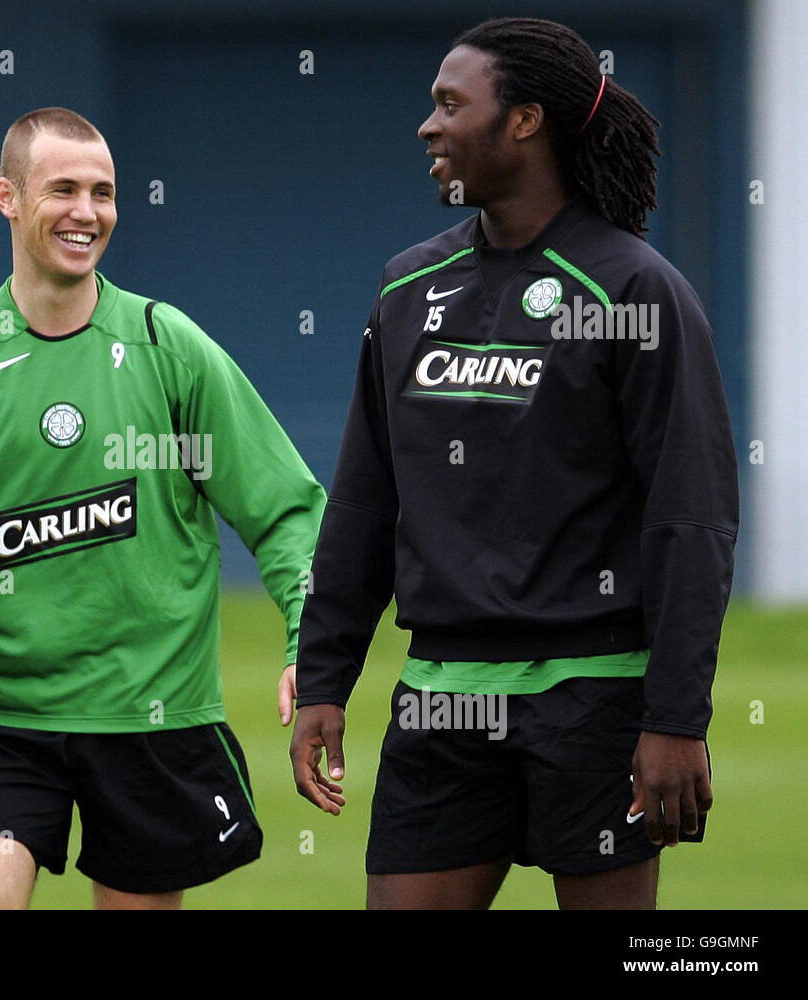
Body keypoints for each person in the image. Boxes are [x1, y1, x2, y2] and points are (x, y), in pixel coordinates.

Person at [289, 18, 739, 909]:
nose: (429, 126)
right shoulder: (407, 290)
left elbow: (690, 517)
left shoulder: (634, 291)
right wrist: (326, 675)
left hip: (595, 699)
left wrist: (675, 718)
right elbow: (363, 504)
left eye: (452, 105)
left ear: (525, 121)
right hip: (440, 700)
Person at [0, 107, 325, 909]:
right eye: (65, 189)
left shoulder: (167, 345)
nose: (88, 211)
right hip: (2, 713)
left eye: (104, 193)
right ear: (7, 197)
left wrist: (305, 637)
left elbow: (285, 506)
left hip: (152, 715)